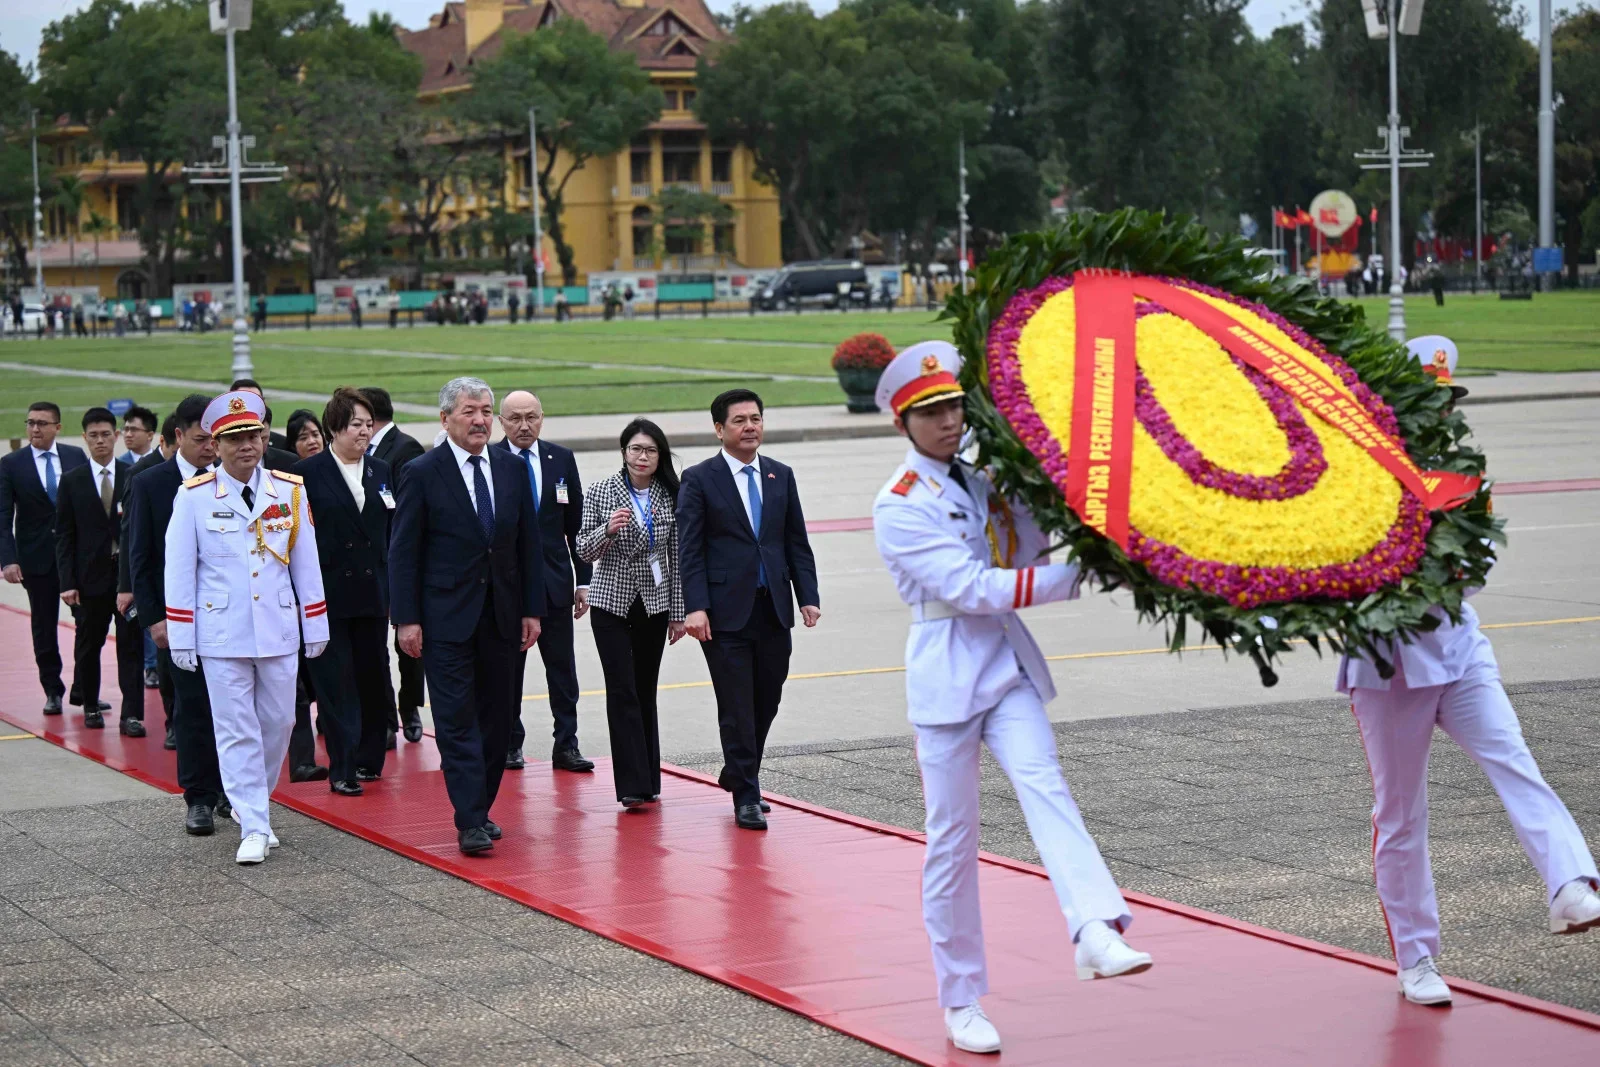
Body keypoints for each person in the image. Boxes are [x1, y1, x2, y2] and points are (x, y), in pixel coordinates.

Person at [871, 342, 1152, 1055]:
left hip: (1004, 664)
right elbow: (972, 588)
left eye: (954, 407)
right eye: (930, 412)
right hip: (947, 675)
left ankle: (1094, 927)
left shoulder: (980, 477)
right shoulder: (898, 503)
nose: (948, 421)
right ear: (902, 423)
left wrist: (1052, 497)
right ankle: (960, 997)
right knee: (952, 842)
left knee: (1045, 785)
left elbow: (1023, 552)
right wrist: (1082, 574)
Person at [1338, 335, 1600, 1008]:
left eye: (1448, 400)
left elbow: (1477, 569)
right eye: (1428, 401)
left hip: (1457, 650)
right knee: (1401, 816)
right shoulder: (1358, 471)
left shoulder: (1464, 473)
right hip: (1387, 668)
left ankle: (1571, 885)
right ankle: (1416, 957)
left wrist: (1443, 570)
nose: (1442, 412)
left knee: (1514, 760)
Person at [165, 390, 327, 863]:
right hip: (222, 631)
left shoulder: (288, 490)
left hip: (277, 626)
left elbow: (306, 562)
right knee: (235, 729)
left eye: (253, 436)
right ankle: (255, 823)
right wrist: (181, 635)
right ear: (216, 445)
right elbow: (180, 570)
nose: (247, 446)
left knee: (280, 722)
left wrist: (315, 622)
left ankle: (250, 801)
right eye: (235, 439)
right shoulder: (194, 497)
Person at [389, 377, 544, 855]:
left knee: (498, 721)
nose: (479, 420)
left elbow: (527, 545)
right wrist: (406, 619)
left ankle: (481, 805)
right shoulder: (422, 472)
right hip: (445, 620)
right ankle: (470, 818)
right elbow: (403, 552)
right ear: (445, 418)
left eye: (485, 411)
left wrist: (532, 609)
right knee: (456, 721)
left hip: (503, 616)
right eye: (469, 411)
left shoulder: (512, 468)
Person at [677, 389, 820, 830]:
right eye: (739, 421)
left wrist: (808, 595)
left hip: (773, 607)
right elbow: (690, 550)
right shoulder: (699, 479)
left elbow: (795, 540)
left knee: (767, 698)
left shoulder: (781, 475)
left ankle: (739, 771)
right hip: (723, 614)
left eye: (755, 419)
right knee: (737, 704)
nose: (749, 427)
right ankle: (747, 796)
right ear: (719, 429)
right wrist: (696, 607)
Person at [125, 394, 230, 833]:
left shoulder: (229, 479)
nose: (210, 448)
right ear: (178, 436)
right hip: (179, 620)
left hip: (229, 617)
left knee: (233, 708)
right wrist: (155, 619)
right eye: (201, 440)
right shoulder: (151, 483)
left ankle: (231, 790)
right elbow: (141, 557)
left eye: (215, 440)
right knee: (191, 708)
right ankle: (199, 797)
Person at [576, 419, 686, 808]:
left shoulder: (670, 496)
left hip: (653, 604)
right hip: (611, 603)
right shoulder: (601, 491)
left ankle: (649, 779)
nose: (642, 457)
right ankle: (631, 785)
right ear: (623, 452)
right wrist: (607, 530)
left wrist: (678, 613)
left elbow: (677, 557)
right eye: (636, 449)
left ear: (660, 456)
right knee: (621, 689)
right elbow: (583, 550)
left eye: (650, 450)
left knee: (644, 689)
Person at [295, 387, 396, 794]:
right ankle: (343, 767)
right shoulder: (307, 474)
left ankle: (371, 758)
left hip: (373, 592)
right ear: (334, 428)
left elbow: (392, 531)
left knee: (373, 676)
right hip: (329, 594)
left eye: (369, 424)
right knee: (336, 683)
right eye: (356, 424)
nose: (364, 432)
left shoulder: (381, 470)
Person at [494, 391, 594, 772]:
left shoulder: (560, 458)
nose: (524, 425)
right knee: (509, 671)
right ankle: (509, 743)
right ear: (501, 422)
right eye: (515, 418)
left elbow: (576, 526)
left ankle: (566, 744)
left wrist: (583, 581)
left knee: (562, 670)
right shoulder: (491, 460)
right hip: (509, 588)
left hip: (554, 584)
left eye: (531, 417)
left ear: (542, 418)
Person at [55, 407, 146, 735]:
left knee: (131, 647)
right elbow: (64, 535)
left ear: (116, 436)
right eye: (93, 435)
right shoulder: (72, 480)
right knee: (89, 645)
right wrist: (67, 582)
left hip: (127, 579)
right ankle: (90, 704)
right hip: (88, 579)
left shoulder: (133, 475)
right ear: (84, 438)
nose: (100, 441)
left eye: (106, 434)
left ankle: (131, 715)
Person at [1, 402, 89, 715]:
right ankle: (52, 690)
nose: (35, 429)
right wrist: (8, 559)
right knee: (44, 627)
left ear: (57, 427)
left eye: (42, 423)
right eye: (30, 423)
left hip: (76, 558)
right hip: (35, 560)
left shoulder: (76, 456)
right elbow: (3, 516)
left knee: (87, 624)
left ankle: (84, 689)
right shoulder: (12, 464)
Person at [363, 386, 427, 743]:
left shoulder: (405, 448)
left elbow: (406, 511)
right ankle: (385, 716)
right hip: (370, 561)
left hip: (399, 561)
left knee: (409, 643)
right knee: (376, 647)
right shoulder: (359, 449)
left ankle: (409, 706)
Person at [230, 380, 292, 454]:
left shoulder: (282, 445)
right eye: (244, 401)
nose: (252, 406)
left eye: (257, 400)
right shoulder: (222, 447)